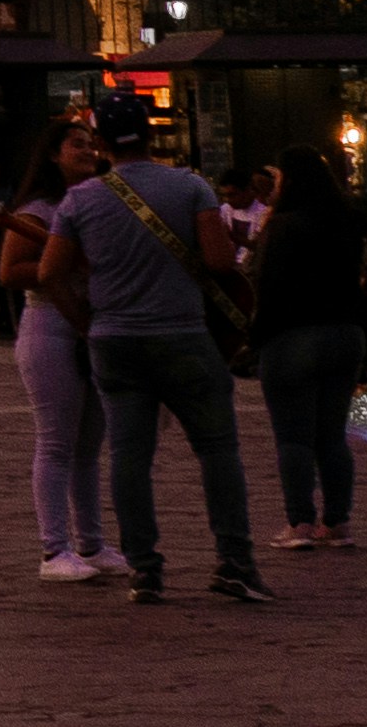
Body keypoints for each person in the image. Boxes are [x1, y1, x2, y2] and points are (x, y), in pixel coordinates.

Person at [53, 95, 260, 605]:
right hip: (183, 335)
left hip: (114, 341)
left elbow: (46, 273)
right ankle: (234, 562)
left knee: (128, 454)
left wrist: (84, 320)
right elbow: (217, 260)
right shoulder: (190, 186)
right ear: (150, 134)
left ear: (100, 143)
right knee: (217, 450)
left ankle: (144, 569)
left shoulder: (79, 200)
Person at [0, 107, 115, 583]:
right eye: (76, 144)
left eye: (91, 143)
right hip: (49, 326)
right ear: (52, 154)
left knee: (89, 445)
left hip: (93, 326)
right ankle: (54, 549)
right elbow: (11, 271)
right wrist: (62, 265)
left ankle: (93, 543)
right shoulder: (36, 211)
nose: (88, 151)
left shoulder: (95, 199)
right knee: (56, 442)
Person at [241, 149, 367, 553]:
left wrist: (254, 340)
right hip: (345, 334)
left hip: (292, 337)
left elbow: (265, 287)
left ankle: (300, 521)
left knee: (294, 438)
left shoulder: (282, 227)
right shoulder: (349, 221)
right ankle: (337, 522)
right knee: (332, 436)